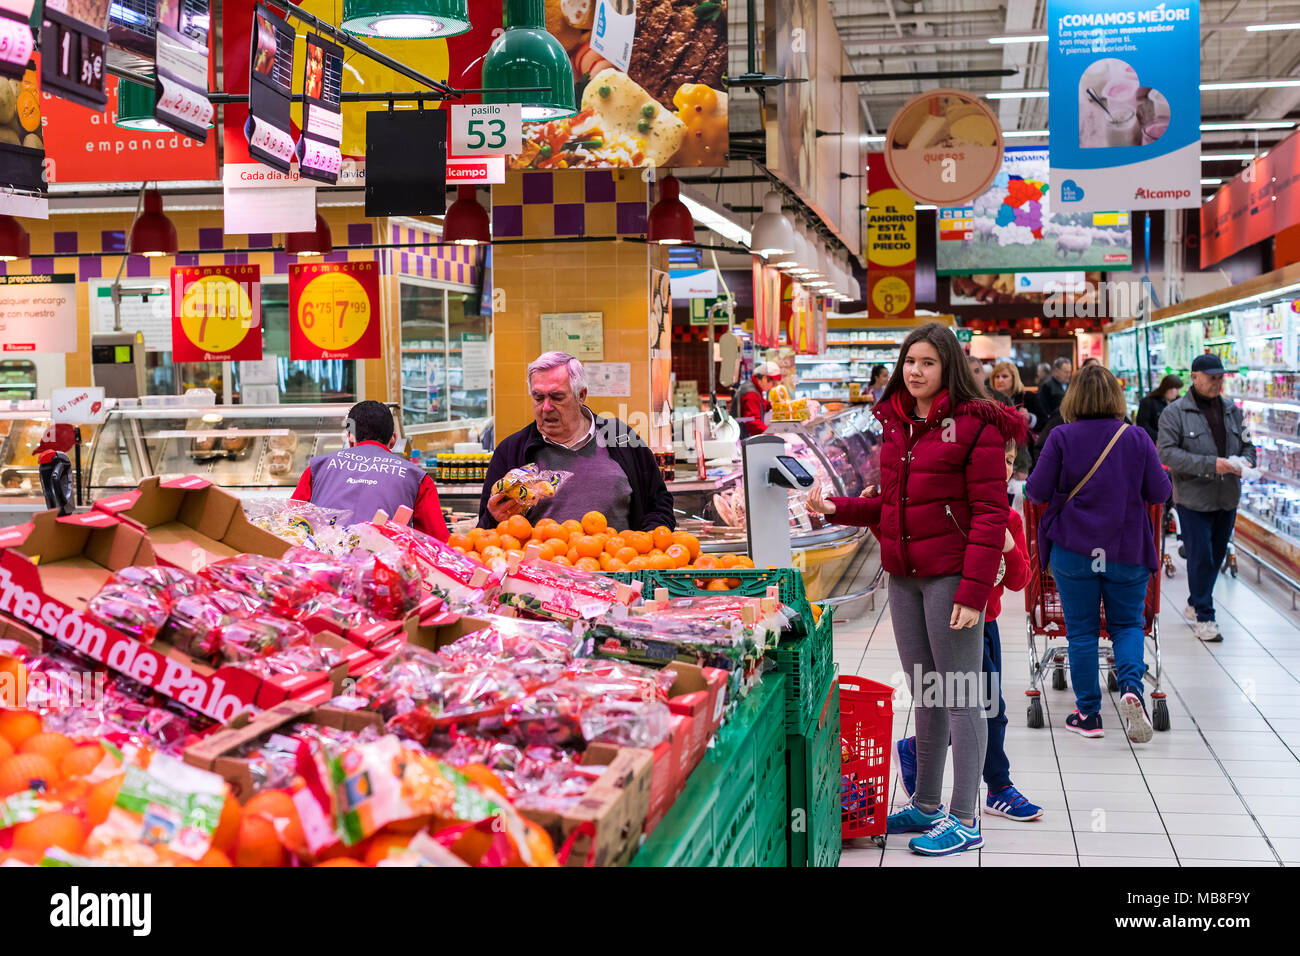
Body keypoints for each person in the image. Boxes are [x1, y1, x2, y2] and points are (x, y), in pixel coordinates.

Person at [806, 322, 1022, 856]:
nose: (916, 372)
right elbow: (891, 507)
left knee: (962, 696)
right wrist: (840, 508)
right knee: (925, 690)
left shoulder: (977, 426)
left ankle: (966, 818)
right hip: (904, 577)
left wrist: (973, 593)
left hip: (952, 578)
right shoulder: (897, 425)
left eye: (927, 362)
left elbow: (993, 515)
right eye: (909, 362)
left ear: (948, 365)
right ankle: (926, 804)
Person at [895, 437, 1041, 821]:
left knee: (988, 710)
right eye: (995, 459)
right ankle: (986, 784)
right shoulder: (952, 510)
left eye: (1009, 461)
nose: (1002, 468)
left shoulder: (1008, 519)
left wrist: (1008, 546)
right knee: (948, 704)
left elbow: (1021, 580)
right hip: (941, 620)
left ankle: (996, 786)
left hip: (984, 626)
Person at [1025, 365, 1171, 743]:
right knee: (1127, 625)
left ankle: (1088, 714)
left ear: (1073, 398)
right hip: (1126, 551)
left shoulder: (1060, 437)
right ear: (1116, 398)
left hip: (1074, 551)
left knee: (1082, 632)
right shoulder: (1136, 437)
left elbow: (1036, 492)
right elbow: (1159, 493)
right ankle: (1130, 690)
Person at [479, 351, 675, 532]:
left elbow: (659, 505)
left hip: (615, 565)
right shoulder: (511, 451)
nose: (546, 407)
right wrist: (493, 518)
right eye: (538, 398)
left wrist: (646, 542)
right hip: (539, 568)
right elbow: (486, 534)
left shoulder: (621, 438)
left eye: (557, 397)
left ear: (581, 395)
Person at [1157, 354, 1256, 642]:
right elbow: (1167, 453)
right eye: (1211, 377)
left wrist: (1245, 463)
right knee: (1200, 555)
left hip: (1226, 496)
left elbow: (1250, 445)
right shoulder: (1174, 413)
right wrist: (1211, 464)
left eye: (1220, 377)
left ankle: (1195, 600)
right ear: (1194, 377)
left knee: (1217, 554)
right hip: (1192, 497)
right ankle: (1205, 616)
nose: (1216, 382)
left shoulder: (1232, 411)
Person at [292, 400, 448, 539]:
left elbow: (289, 526)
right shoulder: (418, 479)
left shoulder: (316, 469)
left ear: (350, 438)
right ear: (393, 440)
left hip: (323, 567)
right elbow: (438, 545)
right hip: (384, 569)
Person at [989, 361, 1045, 433]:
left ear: (1014, 378)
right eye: (997, 377)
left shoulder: (1029, 397)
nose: (1000, 380)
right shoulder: (989, 399)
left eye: (1005, 376)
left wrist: (1030, 418)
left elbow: (1044, 423)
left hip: (1023, 442)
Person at [728, 361, 781, 436]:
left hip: (742, 432)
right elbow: (752, 422)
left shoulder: (753, 387)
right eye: (773, 383)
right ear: (765, 379)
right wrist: (772, 434)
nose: (773, 386)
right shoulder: (751, 394)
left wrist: (773, 405)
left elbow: (760, 404)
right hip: (743, 437)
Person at [1137, 374, 1183, 445]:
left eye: (1179, 389)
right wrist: (1160, 437)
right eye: (1176, 389)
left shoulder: (1178, 401)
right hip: (1154, 443)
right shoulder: (1148, 402)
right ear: (1167, 388)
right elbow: (1143, 425)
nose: (1178, 392)